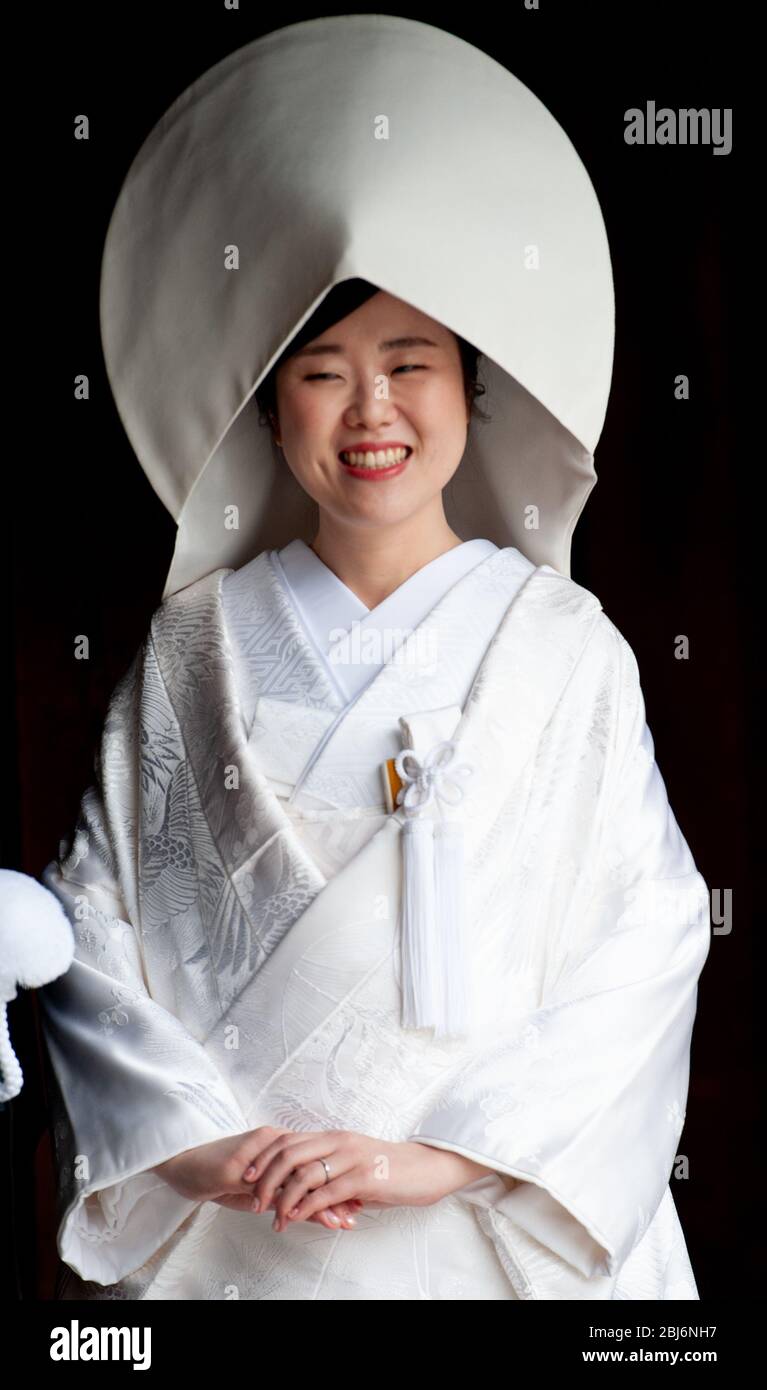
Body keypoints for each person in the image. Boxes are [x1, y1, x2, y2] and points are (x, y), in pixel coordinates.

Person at [38, 17, 710, 1300]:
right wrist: (202, 1144)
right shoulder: (191, 647)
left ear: (471, 384)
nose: (371, 413)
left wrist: (442, 1155)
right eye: (321, 373)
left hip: (481, 1234)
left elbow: (652, 932)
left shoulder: (564, 649)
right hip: (243, 1237)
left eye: (409, 365)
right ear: (266, 402)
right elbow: (86, 921)